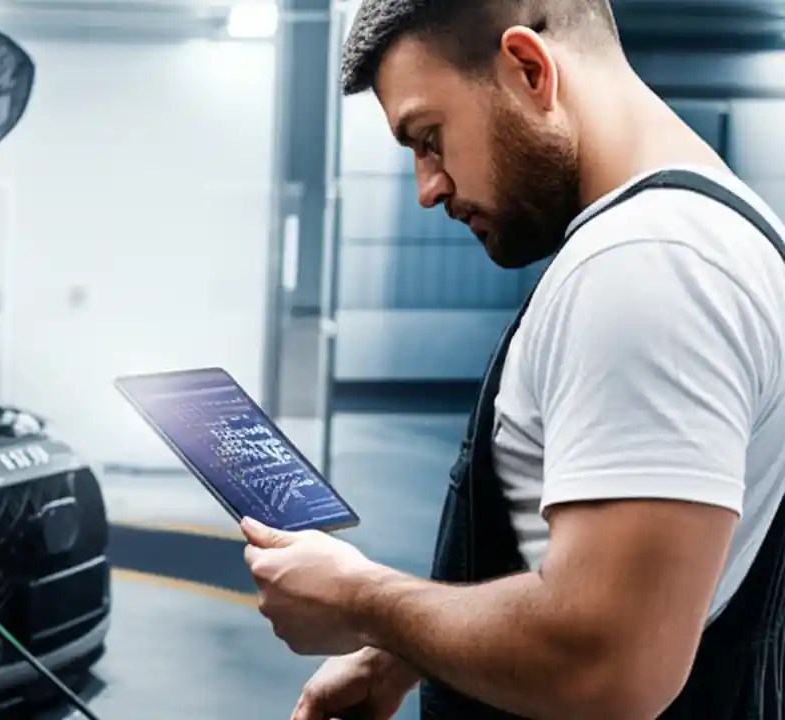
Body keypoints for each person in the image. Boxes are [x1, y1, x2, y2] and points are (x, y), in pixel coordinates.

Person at [240, 1, 785, 718]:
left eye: (429, 138)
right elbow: (615, 577)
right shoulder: (715, 229)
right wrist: (405, 649)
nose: (427, 188)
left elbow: (610, 662)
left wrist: (363, 602)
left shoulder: (647, 265)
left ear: (529, 69)